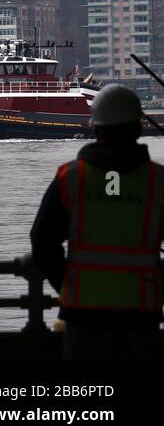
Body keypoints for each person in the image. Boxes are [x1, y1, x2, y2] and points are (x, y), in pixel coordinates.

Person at [30, 84, 164, 360]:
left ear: (95, 128)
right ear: (138, 128)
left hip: (83, 317)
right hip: (141, 316)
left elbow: (42, 242)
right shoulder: (158, 182)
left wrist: (68, 287)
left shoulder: (71, 178)